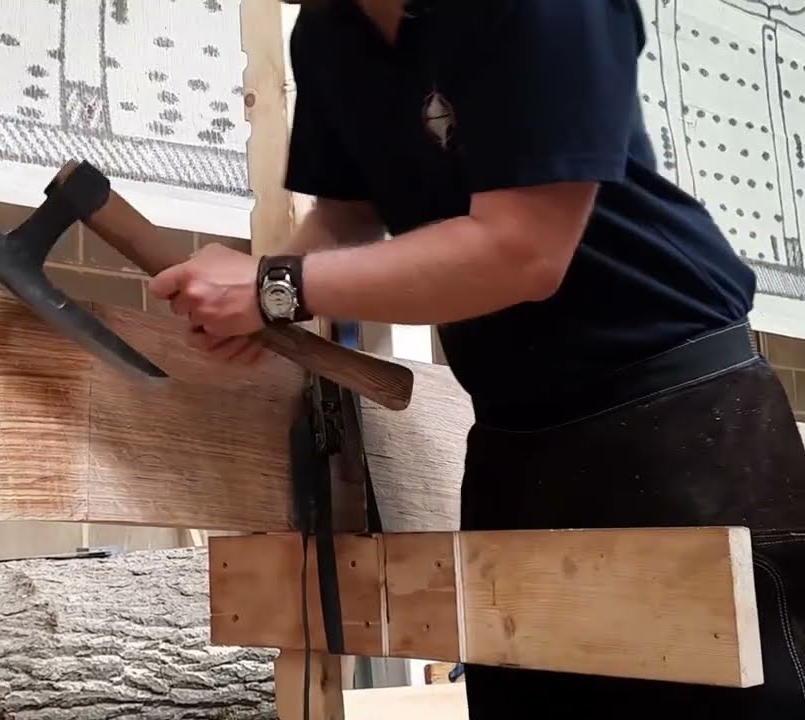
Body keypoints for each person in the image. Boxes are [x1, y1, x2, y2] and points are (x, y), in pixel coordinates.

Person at [146, 0, 805, 716]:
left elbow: (524, 249)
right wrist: (261, 305)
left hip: (679, 417)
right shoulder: (332, 29)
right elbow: (348, 215)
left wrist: (275, 289)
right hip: (510, 435)